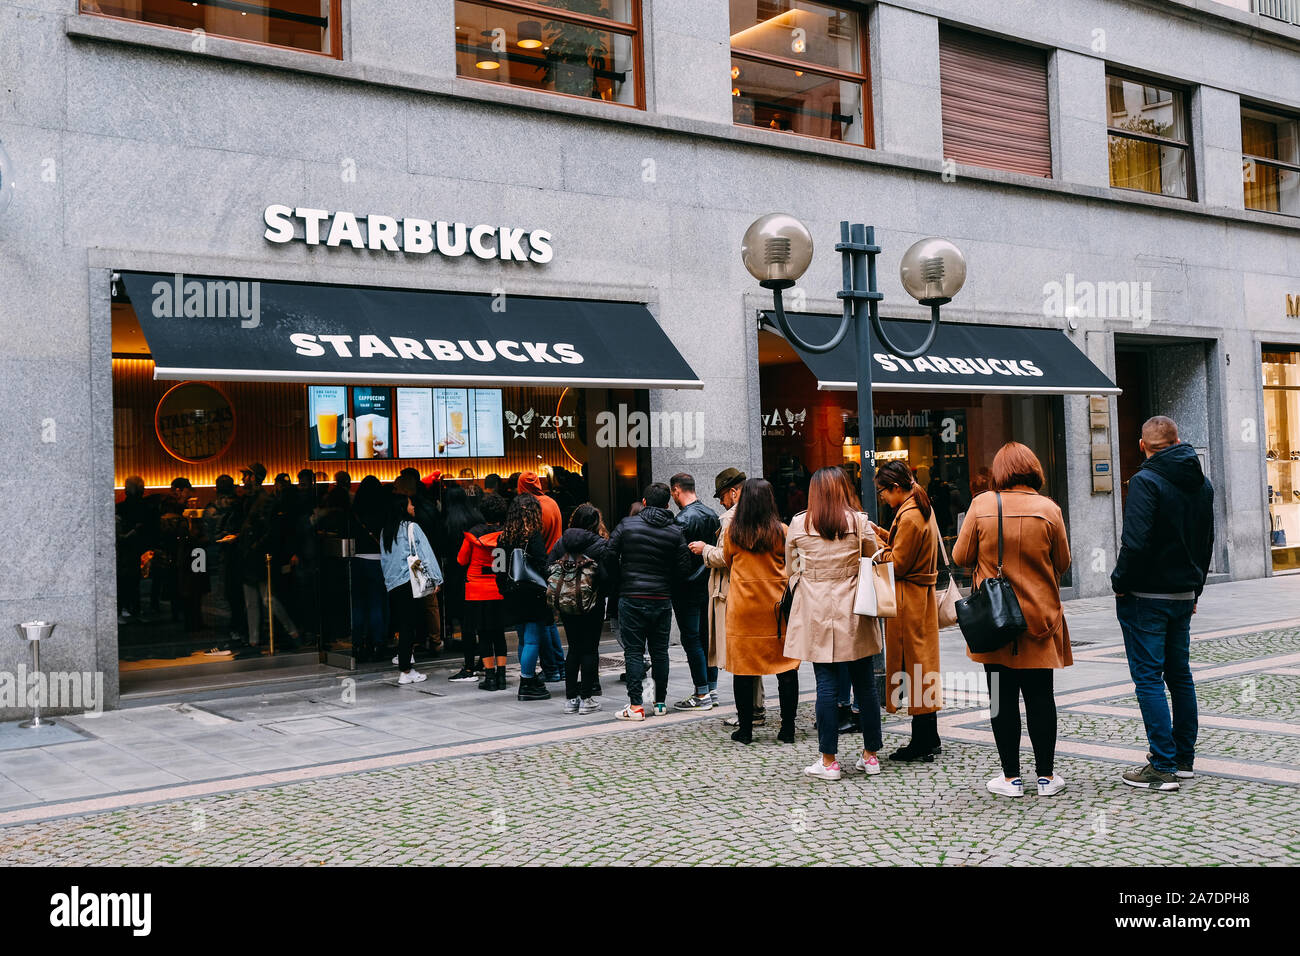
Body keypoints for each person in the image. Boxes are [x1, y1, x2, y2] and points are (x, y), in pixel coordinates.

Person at [953, 442, 1072, 798]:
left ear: (1000, 472)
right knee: (1040, 697)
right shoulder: (1049, 509)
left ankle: (1010, 778)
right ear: (1033, 468)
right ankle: (1047, 778)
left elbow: (961, 555)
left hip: (995, 617)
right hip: (1039, 617)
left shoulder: (982, 505)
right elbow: (1063, 563)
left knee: (1000, 698)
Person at [1112, 416, 1214, 792]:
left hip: (1147, 597)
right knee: (1180, 675)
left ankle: (1162, 764)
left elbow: (1135, 543)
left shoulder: (1144, 481)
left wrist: (1119, 582)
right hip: (1183, 594)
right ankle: (1184, 758)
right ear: (1178, 440)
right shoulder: (1202, 483)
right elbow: (1207, 543)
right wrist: (1196, 589)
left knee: (1149, 679)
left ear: (1143, 446)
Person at [784, 467, 883, 778]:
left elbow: (790, 566)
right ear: (843, 488)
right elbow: (874, 556)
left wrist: (805, 578)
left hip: (815, 606)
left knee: (826, 684)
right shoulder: (859, 521)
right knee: (864, 683)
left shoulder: (799, 523)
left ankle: (828, 761)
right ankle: (870, 756)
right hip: (854, 605)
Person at [871, 460, 943, 762]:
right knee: (922, 668)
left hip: (910, 600)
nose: (883, 498)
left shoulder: (911, 516)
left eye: (883, 492)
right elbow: (906, 549)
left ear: (896, 488)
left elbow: (897, 563)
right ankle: (929, 736)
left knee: (915, 669)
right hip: (918, 598)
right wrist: (884, 533)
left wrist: (874, 544)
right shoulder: (918, 506)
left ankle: (922, 742)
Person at [723, 478, 798, 744]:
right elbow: (792, 565)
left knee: (743, 671)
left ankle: (745, 730)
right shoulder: (781, 531)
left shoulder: (734, 532)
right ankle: (787, 729)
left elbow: (727, 559)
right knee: (786, 669)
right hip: (775, 610)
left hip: (743, 609)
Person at [608, 482, 692, 720]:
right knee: (660, 652)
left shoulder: (627, 525)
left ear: (644, 503)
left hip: (631, 596)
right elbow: (683, 568)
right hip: (661, 598)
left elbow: (609, 554)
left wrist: (619, 580)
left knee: (634, 652)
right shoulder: (675, 531)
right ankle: (661, 703)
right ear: (667, 505)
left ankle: (636, 706)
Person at [690, 469, 767, 727]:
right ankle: (755, 708)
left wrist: (704, 549)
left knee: (739, 655)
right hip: (758, 591)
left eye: (722, 496)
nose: (721, 502)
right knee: (752, 655)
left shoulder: (731, 518)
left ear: (734, 492)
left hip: (732, 591)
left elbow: (726, 556)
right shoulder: (766, 516)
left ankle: (749, 713)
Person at [548, 503, 617, 715]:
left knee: (574, 648)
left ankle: (571, 699)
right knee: (590, 649)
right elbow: (608, 575)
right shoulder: (599, 544)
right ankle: (587, 698)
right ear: (595, 523)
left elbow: (547, 567)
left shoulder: (562, 542)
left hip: (567, 604)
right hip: (592, 603)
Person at [381, 477, 442, 684]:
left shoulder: (386, 531)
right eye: (409, 503)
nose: (413, 505)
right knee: (410, 625)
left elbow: (385, 560)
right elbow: (425, 554)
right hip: (410, 582)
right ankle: (406, 670)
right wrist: (436, 579)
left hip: (394, 583)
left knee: (402, 623)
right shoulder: (412, 528)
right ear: (402, 508)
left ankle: (404, 660)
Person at [670, 473, 722, 711]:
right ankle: (711, 688)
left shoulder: (681, 520)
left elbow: (679, 560)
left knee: (691, 639)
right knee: (706, 638)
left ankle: (701, 693)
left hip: (687, 588)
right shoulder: (713, 515)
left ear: (677, 491)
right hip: (709, 584)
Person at [237, 463, 302, 651]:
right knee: (258, 600)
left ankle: (288, 632)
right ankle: (256, 638)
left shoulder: (263, 500)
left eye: (246, 476)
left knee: (266, 599)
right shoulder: (253, 499)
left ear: (254, 478)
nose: (243, 480)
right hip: (252, 554)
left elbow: (270, 530)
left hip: (257, 556)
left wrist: (254, 545)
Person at [498, 493, 554, 701]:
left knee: (523, 639)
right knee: (532, 640)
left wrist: (504, 589)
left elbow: (498, 568)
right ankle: (527, 681)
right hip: (532, 594)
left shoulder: (503, 537)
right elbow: (542, 565)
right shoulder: (533, 537)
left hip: (511, 593)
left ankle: (527, 677)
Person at [459, 493, 509, 692]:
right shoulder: (507, 534)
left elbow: (461, 560)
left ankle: (489, 678)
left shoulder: (473, 535)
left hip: (477, 590)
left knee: (484, 634)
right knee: (499, 634)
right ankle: (502, 676)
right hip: (500, 589)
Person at [518, 471, 565, 679]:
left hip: (537, 569)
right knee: (549, 620)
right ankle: (559, 666)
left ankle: (552, 669)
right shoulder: (552, 503)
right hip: (556, 565)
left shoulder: (531, 508)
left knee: (542, 622)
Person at [347, 476, 389, 662]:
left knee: (358, 604)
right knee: (377, 604)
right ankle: (378, 643)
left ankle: (358, 643)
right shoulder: (385, 512)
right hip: (379, 561)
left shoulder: (355, 513)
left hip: (358, 560)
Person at [441, 486, 482, 671]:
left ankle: (468, 662)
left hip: (455, 571)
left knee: (465, 621)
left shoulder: (445, 521)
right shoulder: (476, 518)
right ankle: (485, 657)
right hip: (475, 570)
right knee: (478, 618)